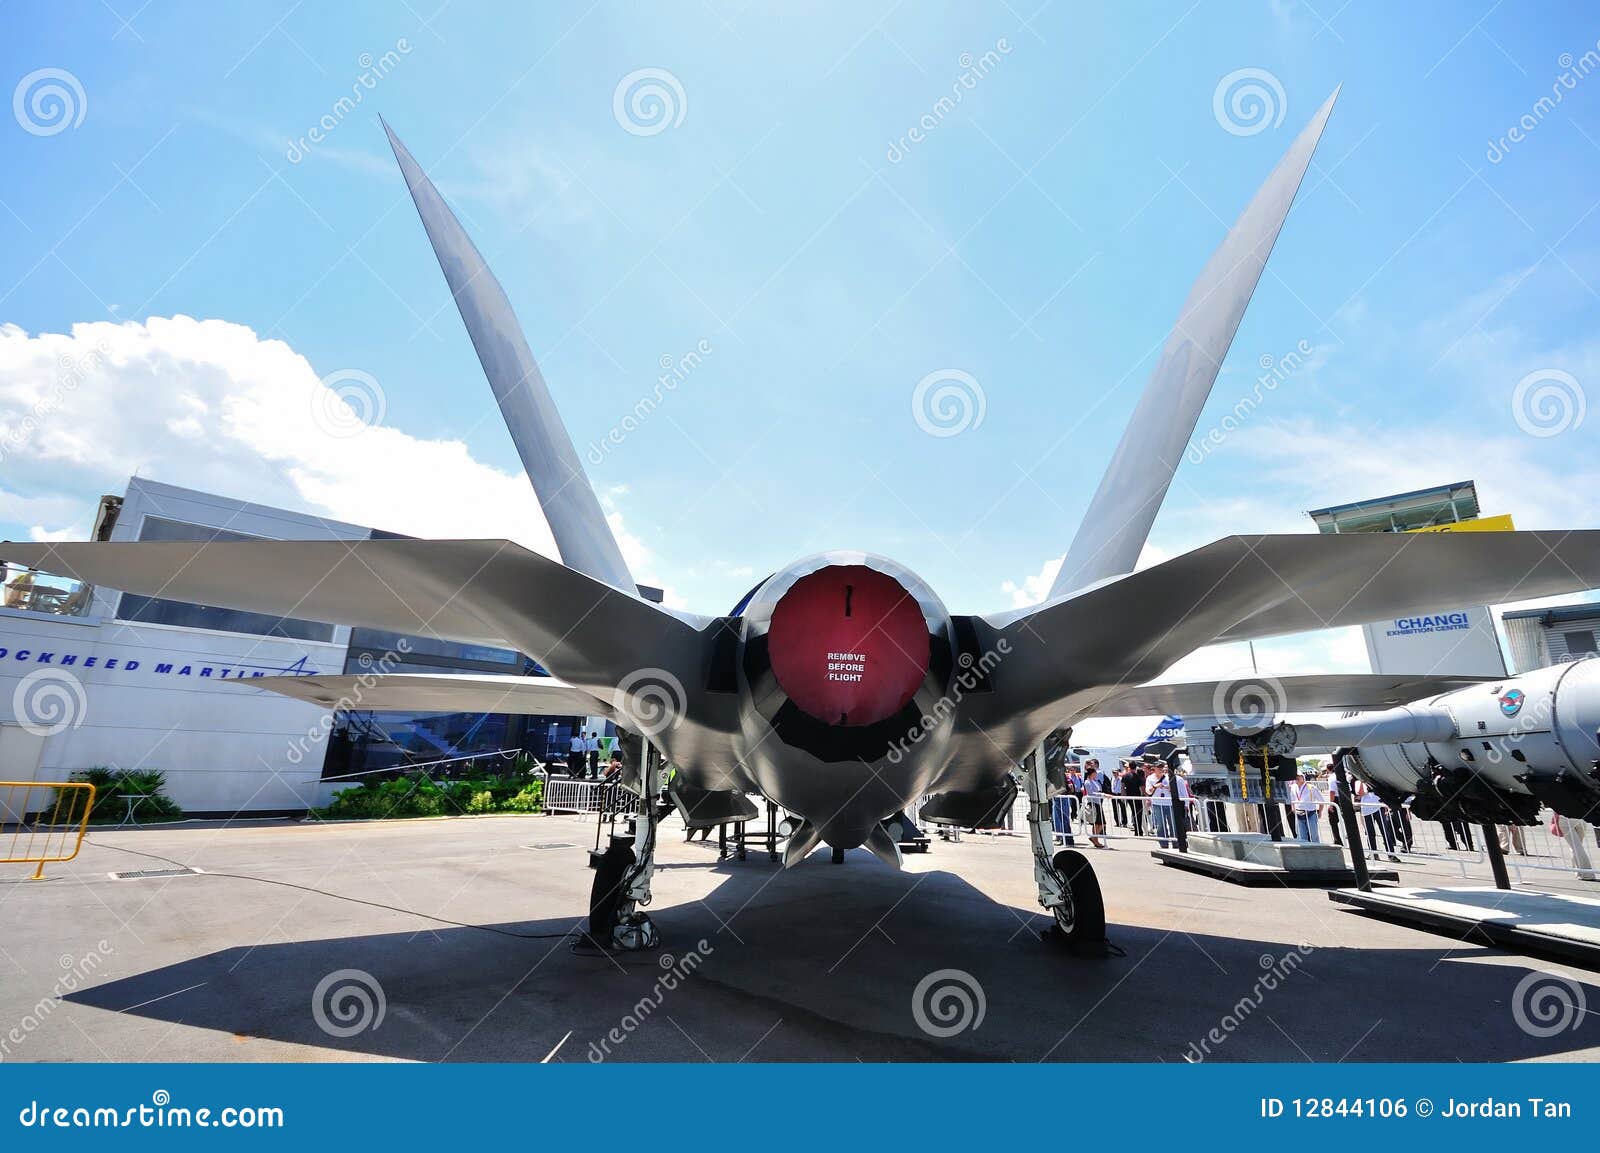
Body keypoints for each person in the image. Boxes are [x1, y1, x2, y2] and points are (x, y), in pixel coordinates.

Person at [1358, 783, 1401, 862]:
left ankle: (1391, 855)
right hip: (1367, 809)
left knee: (1385, 832)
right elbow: (1360, 793)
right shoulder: (1358, 782)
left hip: (1378, 807)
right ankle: (1373, 854)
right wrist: (1362, 782)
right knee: (1370, 833)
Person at [1553, 813, 1599, 881]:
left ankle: (1587, 874)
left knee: (1576, 847)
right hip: (1581, 819)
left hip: (1565, 819)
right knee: (1576, 846)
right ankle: (1579, 872)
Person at [1082, 758, 1108, 848]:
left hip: (1098, 802)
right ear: (1091, 774)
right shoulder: (1088, 782)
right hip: (1093, 803)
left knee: (1100, 823)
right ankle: (1095, 839)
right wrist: (1102, 794)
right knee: (1098, 823)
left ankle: (1094, 838)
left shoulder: (1095, 781)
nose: (1096, 774)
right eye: (1094, 773)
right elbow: (1091, 793)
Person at [1290, 773, 1322, 843]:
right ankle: (1305, 851)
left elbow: (1321, 801)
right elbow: (1292, 799)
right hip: (1298, 813)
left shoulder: (1311, 787)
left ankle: (1317, 849)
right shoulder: (1293, 787)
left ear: (1303, 777)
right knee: (1302, 836)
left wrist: (1320, 812)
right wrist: (1293, 808)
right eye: (1295, 777)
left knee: (1314, 835)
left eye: (1299, 776)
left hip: (1311, 813)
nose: (1296, 778)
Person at [1322, 768, 1343, 846]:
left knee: (1333, 821)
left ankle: (1337, 839)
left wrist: (1331, 804)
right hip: (1344, 797)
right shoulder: (1344, 775)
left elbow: (1332, 791)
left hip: (1336, 799)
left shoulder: (1331, 777)